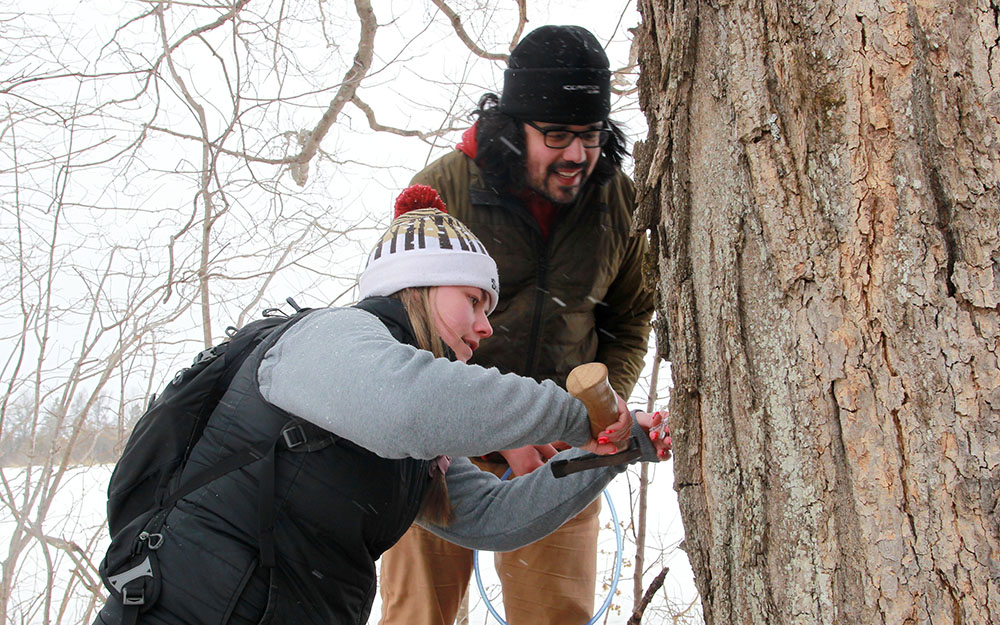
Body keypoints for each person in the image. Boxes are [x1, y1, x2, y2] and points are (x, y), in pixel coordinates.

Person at [91, 187, 669, 625]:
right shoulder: (329, 340)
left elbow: (492, 516)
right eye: (473, 300)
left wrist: (608, 452)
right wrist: (569, 412)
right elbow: (411, 406)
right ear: (418, 284)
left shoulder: (408, 429)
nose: (486, 326)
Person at [378, 24, 655, 625]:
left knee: (556, 616)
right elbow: (399, 324)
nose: (577, 155)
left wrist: (599, 410)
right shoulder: (444, 188)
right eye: (556, 135)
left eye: (590, 135)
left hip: (562, 446)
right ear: (514, 125)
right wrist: (490, 421)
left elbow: (631, 315)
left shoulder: (617, 203)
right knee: (417, 617)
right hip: (439, 444)